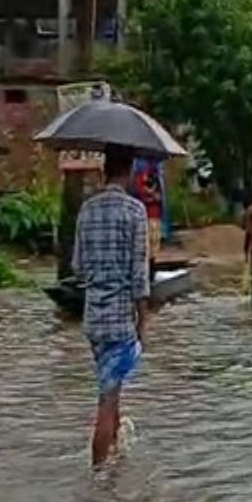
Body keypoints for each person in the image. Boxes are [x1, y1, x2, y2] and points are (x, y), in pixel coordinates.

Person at [72, 144, 150, 469]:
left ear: (105, 170)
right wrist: (143, 321)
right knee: (107, 400)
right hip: (120, 320)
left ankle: (114, 461)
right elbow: (139, 274)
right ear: (129, 172)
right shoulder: (135, 211)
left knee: (111, 391)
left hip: (93, 319)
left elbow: (78, 267)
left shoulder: (86, 210)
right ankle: (100, 475)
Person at [133, 161, 162, 281]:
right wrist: (151, 195)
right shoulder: (139, 177)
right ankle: (146, 271)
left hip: (155, 214)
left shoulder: (156, 177)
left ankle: (151, 269)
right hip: (144, 215)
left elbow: (159, 196)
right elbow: (139, 193)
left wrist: (154, 196)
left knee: (154, 243)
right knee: (146, 243)